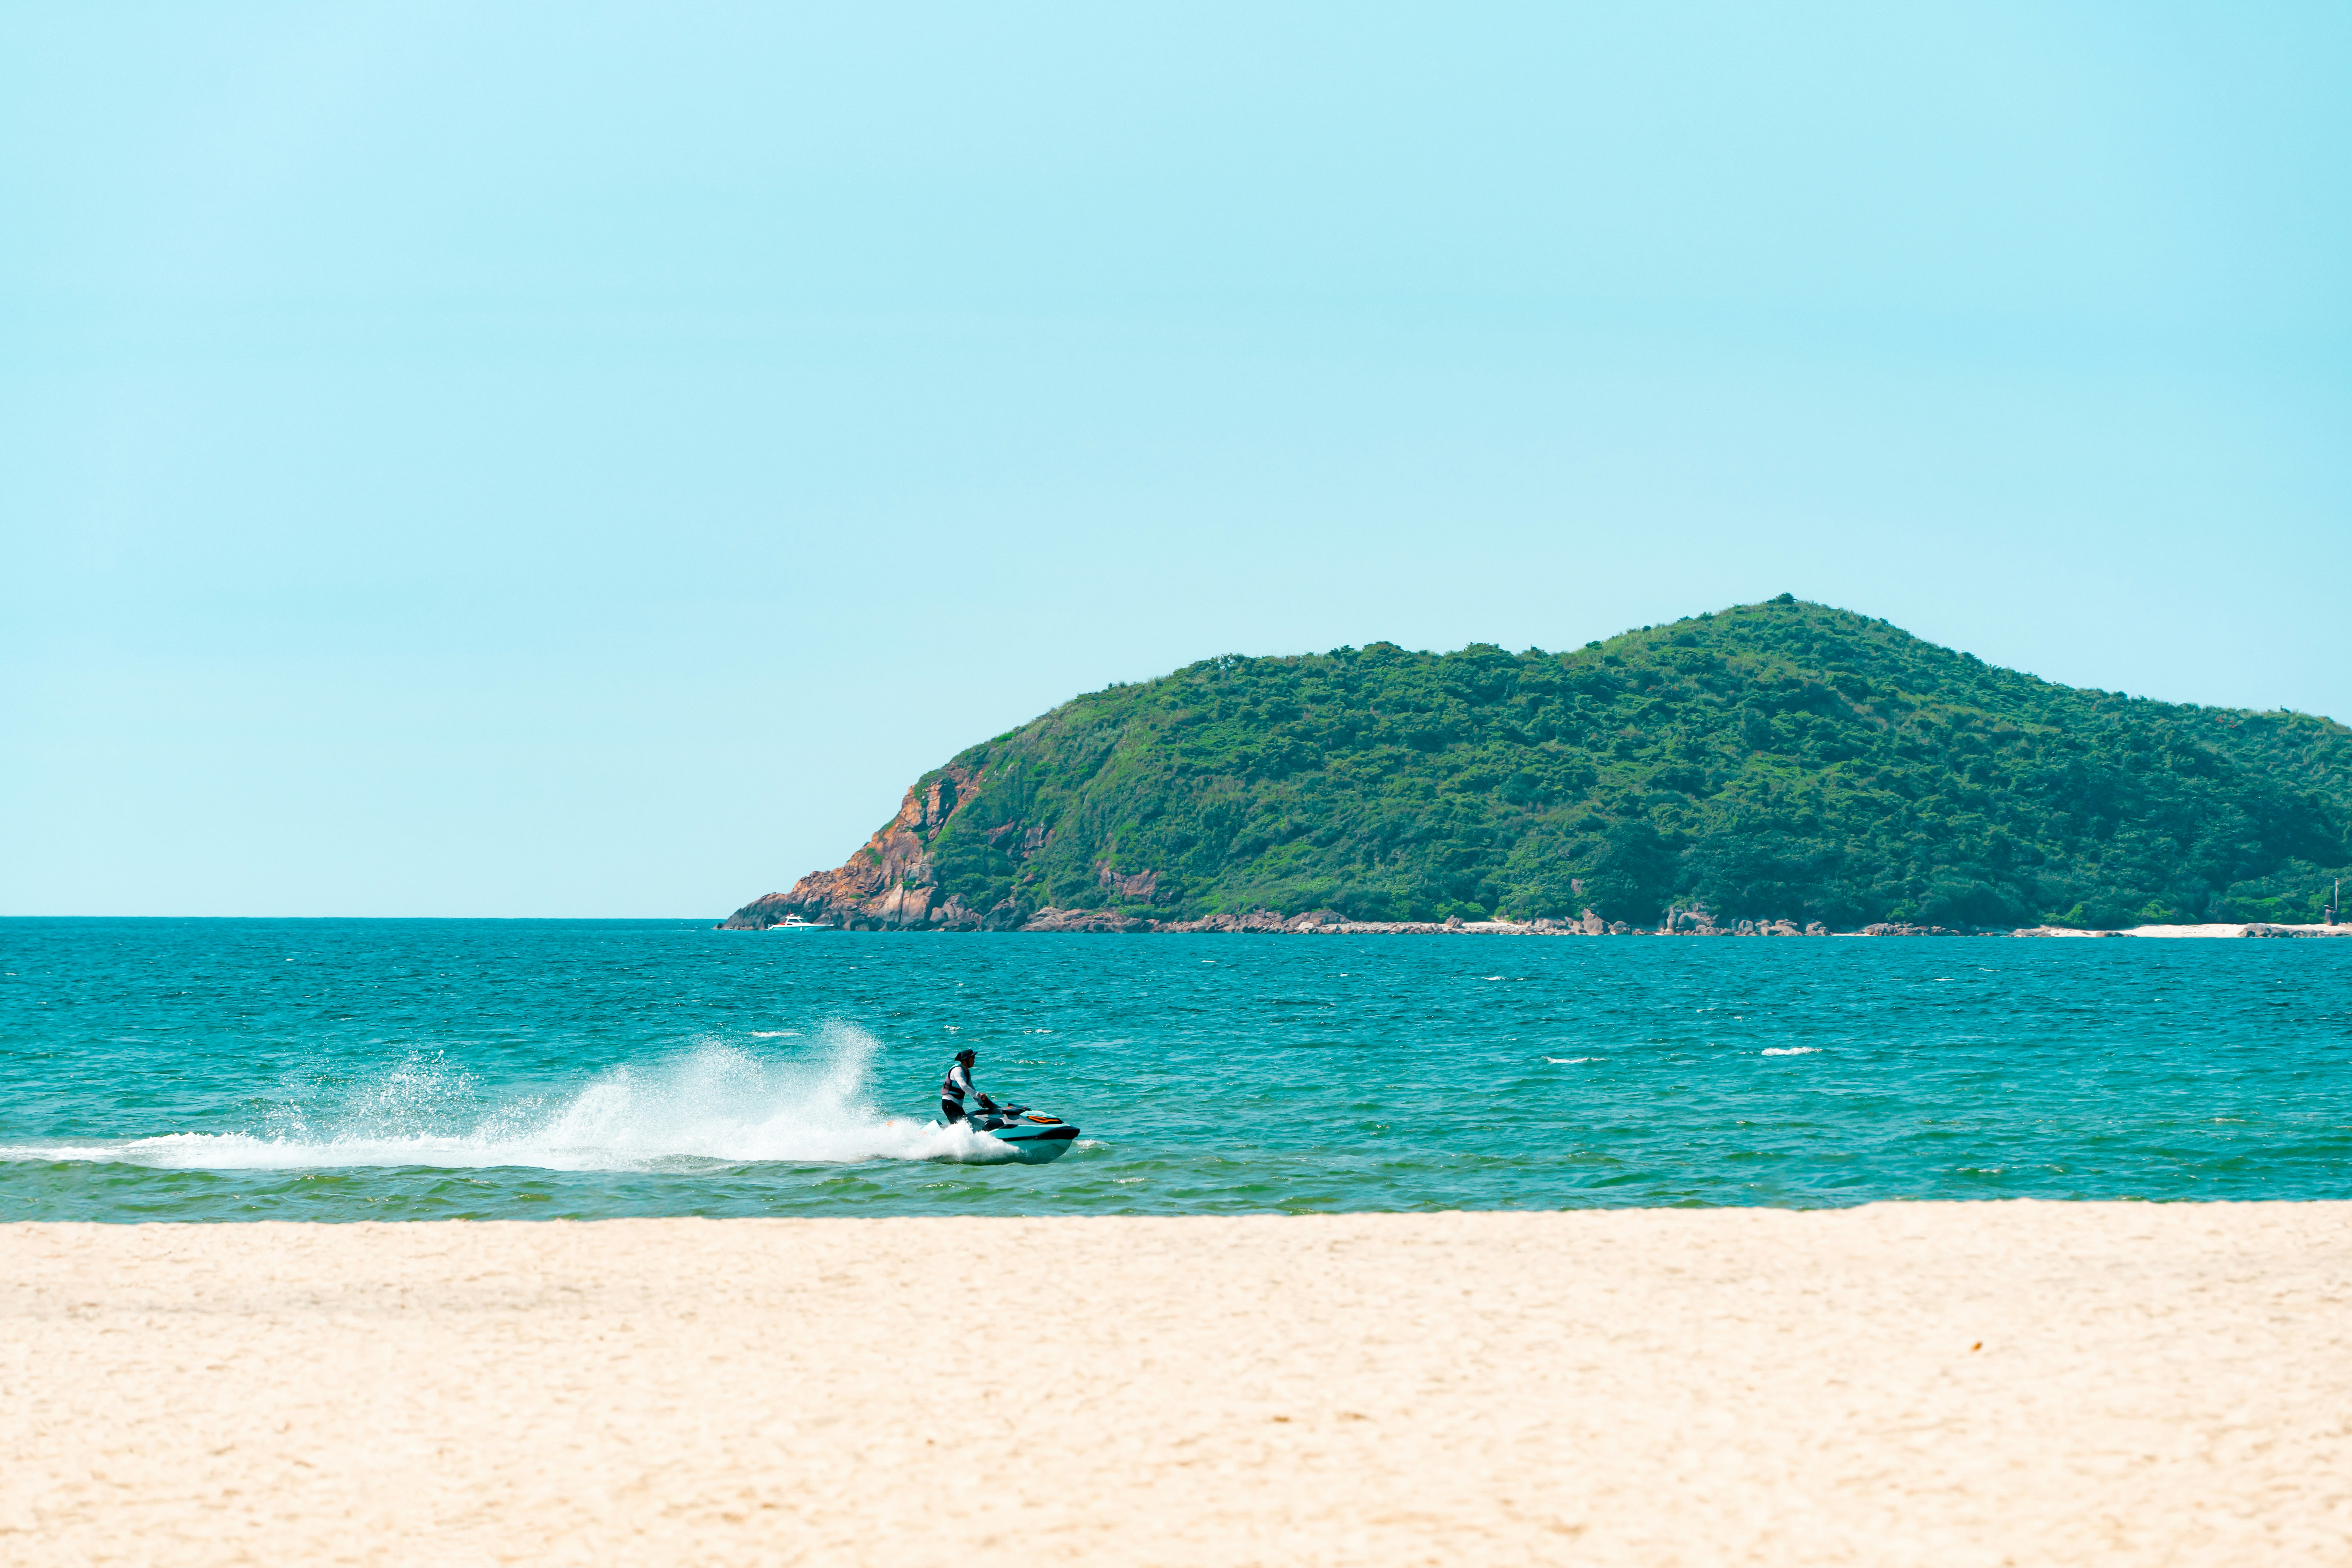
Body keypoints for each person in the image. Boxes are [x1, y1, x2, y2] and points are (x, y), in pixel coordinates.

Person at [940, 1048, 996, 1124]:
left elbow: (971, 1088)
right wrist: (978, 1095)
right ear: (966, 1060)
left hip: (956, 1104)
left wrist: (980, 1101)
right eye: (972, 1058)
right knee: (963, 1126)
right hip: (949, 1103)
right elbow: (963, 1086)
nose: (974, 1061)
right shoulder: (958, 1070)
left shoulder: (966, 1072)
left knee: (967, 1125)